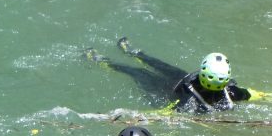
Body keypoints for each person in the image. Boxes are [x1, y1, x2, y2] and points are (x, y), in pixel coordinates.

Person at [87, 41, 253, 113]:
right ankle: (131, 55)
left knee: (141, 71)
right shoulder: (232, 93)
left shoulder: (190, 102)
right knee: (141, 71)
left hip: (170, 88)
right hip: (182, 82)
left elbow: (167, 112)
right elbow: (253, 94)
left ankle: (110, 60)